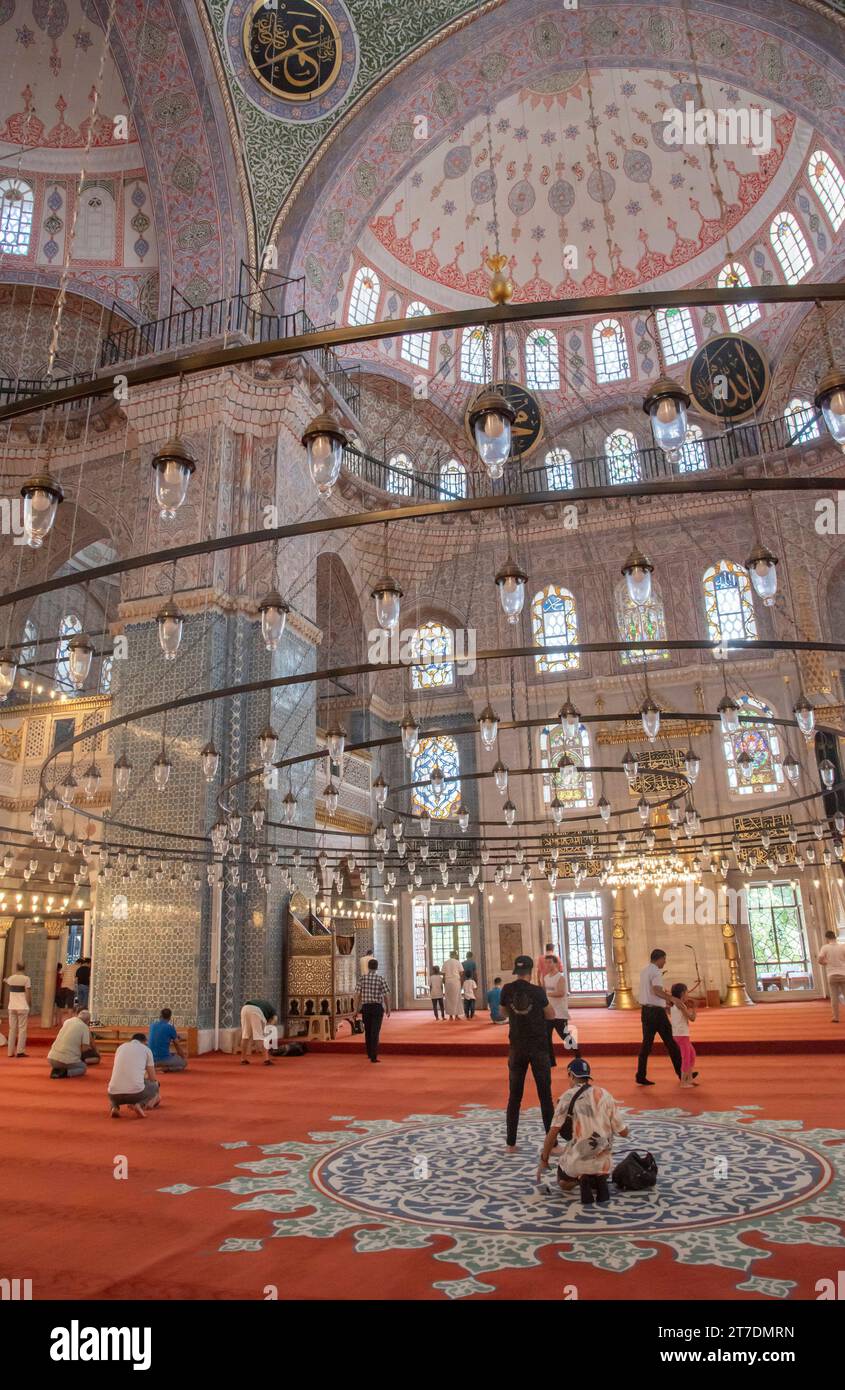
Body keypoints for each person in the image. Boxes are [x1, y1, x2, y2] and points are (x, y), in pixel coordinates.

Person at [537, 1058, 629, 1206]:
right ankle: (598, 1179)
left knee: (563, 1183)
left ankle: (581, 1179)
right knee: (598, 1161)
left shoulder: (566, 1097)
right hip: (604, 1163)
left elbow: (553, 1132)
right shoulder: (605, 1094)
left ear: (571, 1075)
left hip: (577, 1161)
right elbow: (624, 1132)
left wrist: (544, 1158)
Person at [499, 954, 556, 1151]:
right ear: (531, 972)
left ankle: (511, 1143)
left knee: (514, 1096)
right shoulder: (537, 991)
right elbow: (550, 1014)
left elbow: (503, 1012)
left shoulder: (507, 989)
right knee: (545, 1096)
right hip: (538, 1047)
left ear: (516, 971)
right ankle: (553, 1144)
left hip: (516, 1047)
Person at [636, 948, 682, 1086]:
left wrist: (664, 1004)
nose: (665, 962)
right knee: (671, 1044)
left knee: (646, 1046)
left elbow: (649, 993)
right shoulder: (656, 971)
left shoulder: (644, 971)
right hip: (657, 1014)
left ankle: (640, 1075)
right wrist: (672, 999)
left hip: (646, 1011)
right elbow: (656, 990)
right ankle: (682, 1073)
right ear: (659, 958)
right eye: (664, 959)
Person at [107, 1032, 160, 1119]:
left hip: (113, 1094)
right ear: (144, 1042)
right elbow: (153, 1078)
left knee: (115, 1086)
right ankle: (139, 1105)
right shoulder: (146, 1050)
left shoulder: (120, 1047)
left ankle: (114, 1107)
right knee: (155, 1085)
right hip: (135, 1094)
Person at [355, 958, 390, 1062]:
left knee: (368, 1031)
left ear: (368, 967)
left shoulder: (362, 978)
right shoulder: (380, 978)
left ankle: (369, 1053)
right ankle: (374, 1056)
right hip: (377, 1008)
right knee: (375, 1031)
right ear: (377, 967)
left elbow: (357, 995)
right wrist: (388, 1008)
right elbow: (386, 995)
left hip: (366, 1008)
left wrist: (356, 1009)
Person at [47, 1009, 100, 1078]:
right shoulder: (84, 1027)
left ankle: (57, 1069)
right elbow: (85, 1048)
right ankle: (65, 1073)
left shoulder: (67, 1021)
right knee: (83, 1068)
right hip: (66, 1060)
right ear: (88, 1021)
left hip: (51, 1058)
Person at [543, 953, 574, 1065]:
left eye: (550, 962)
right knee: (547, 1038)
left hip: (559, 1013)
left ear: (555, 963)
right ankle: (551, 1062)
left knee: (565, 1036)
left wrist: (546, 994)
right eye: (546, 962)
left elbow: (561, 993)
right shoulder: (546, 978)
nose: (547, 964)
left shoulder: (560, 977)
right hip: (549, 1013)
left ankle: (577, 1055)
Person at [669, 983, 698, 1087]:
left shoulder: (675, 1004)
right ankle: (683, 1082)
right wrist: (694, 1008)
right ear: (682, 993)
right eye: (687, 992)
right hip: (681, 1035)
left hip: (679, 1034)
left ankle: (689, 1078)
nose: (688, 994)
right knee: (686, 1057)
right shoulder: (680, 1004)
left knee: (692, 1054)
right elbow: (692, 1018)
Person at [4, 962, 31, 1057]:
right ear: (24, 968)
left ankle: (10, 1052)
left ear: (16, 968)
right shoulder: (26, 979)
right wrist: (28, 1004)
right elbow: (28, 993)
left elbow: (6, 981)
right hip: (22, 1006)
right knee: (22, 1029)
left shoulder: (11, 978)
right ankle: (20, 1051)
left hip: (12, 1006)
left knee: (12, 1030)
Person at [240, 998, 278, 1065]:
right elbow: (275, 1019)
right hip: (256, 1011)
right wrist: (270, 1026)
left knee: (245, 1035)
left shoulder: (264, 1004)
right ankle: (266, 1059)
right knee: (261, 1037)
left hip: (245, 1008)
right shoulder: (273, 1012)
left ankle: (243, 1059)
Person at [818, 930, 845, 1022]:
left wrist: (826, 963)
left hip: (832, 974)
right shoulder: (842, 946)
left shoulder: (825, 947)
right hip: (843, 973)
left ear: (827, 938)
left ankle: (836, 1017)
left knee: (834, 997)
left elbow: (820, 959)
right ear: (835, 937)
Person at [442, 951, 462, 1020]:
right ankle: (456, 1015)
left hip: (448, 981)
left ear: (450, 955)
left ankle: (450, 1016)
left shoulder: (446, 962)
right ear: (455, 955)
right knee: (457, 998)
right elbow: (461, 972)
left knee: (449, 998)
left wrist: (444, 981)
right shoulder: (457, 962)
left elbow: (443, 974)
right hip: (455, 981)